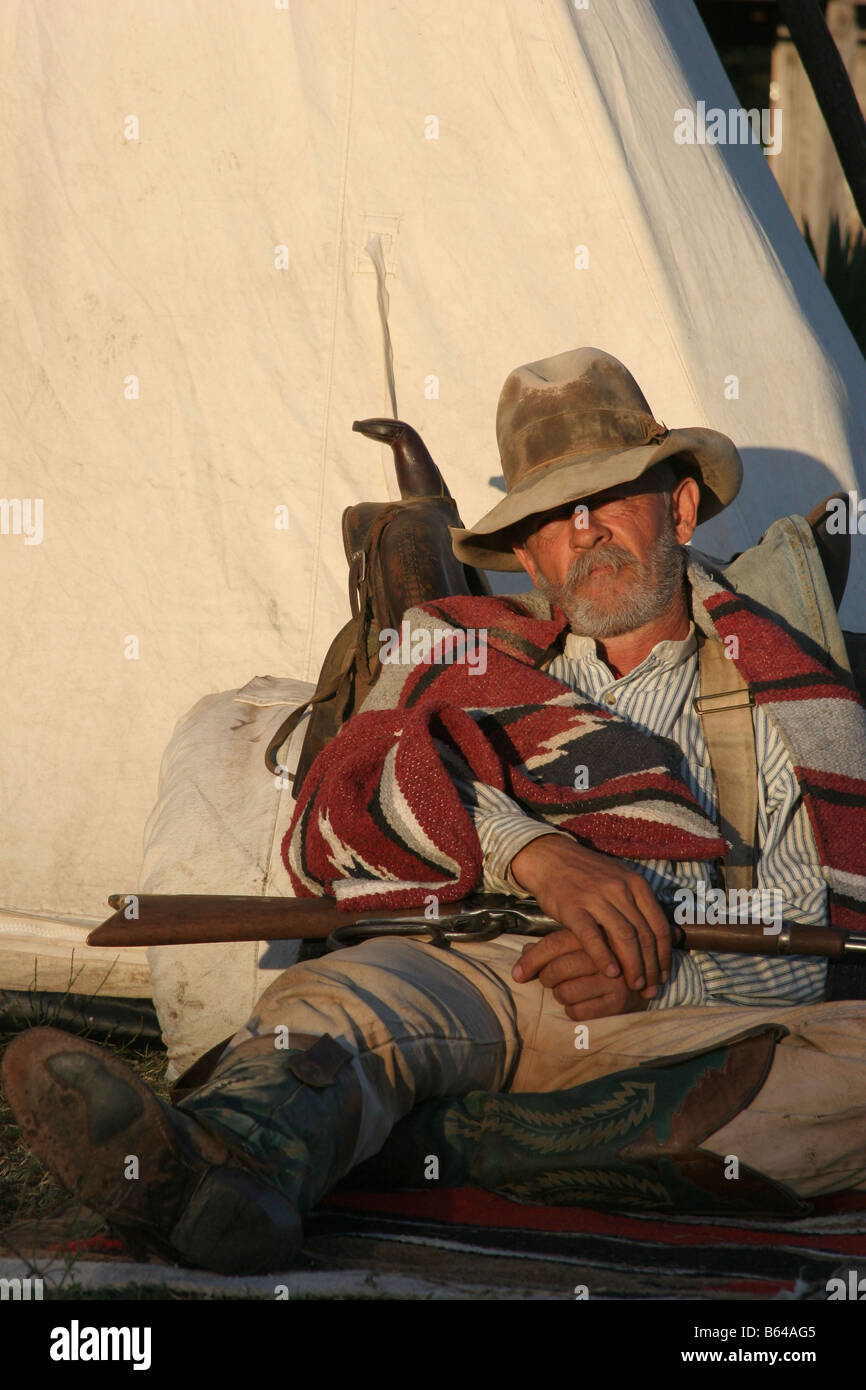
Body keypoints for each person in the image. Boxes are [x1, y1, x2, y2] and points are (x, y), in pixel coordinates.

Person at [5, 347, 866, 1274]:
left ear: (681, 507)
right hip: (474, 979)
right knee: (339, 1005)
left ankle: (468, 1143)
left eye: (610, 495)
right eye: (549, 515)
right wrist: (536, 853)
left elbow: (807, 936)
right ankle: (216, 1170)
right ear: (527, 553)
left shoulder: (778, 693)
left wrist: (653, 968)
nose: (583, 530)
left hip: (684, 1021)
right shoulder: (465, 665)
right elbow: (368, 783)